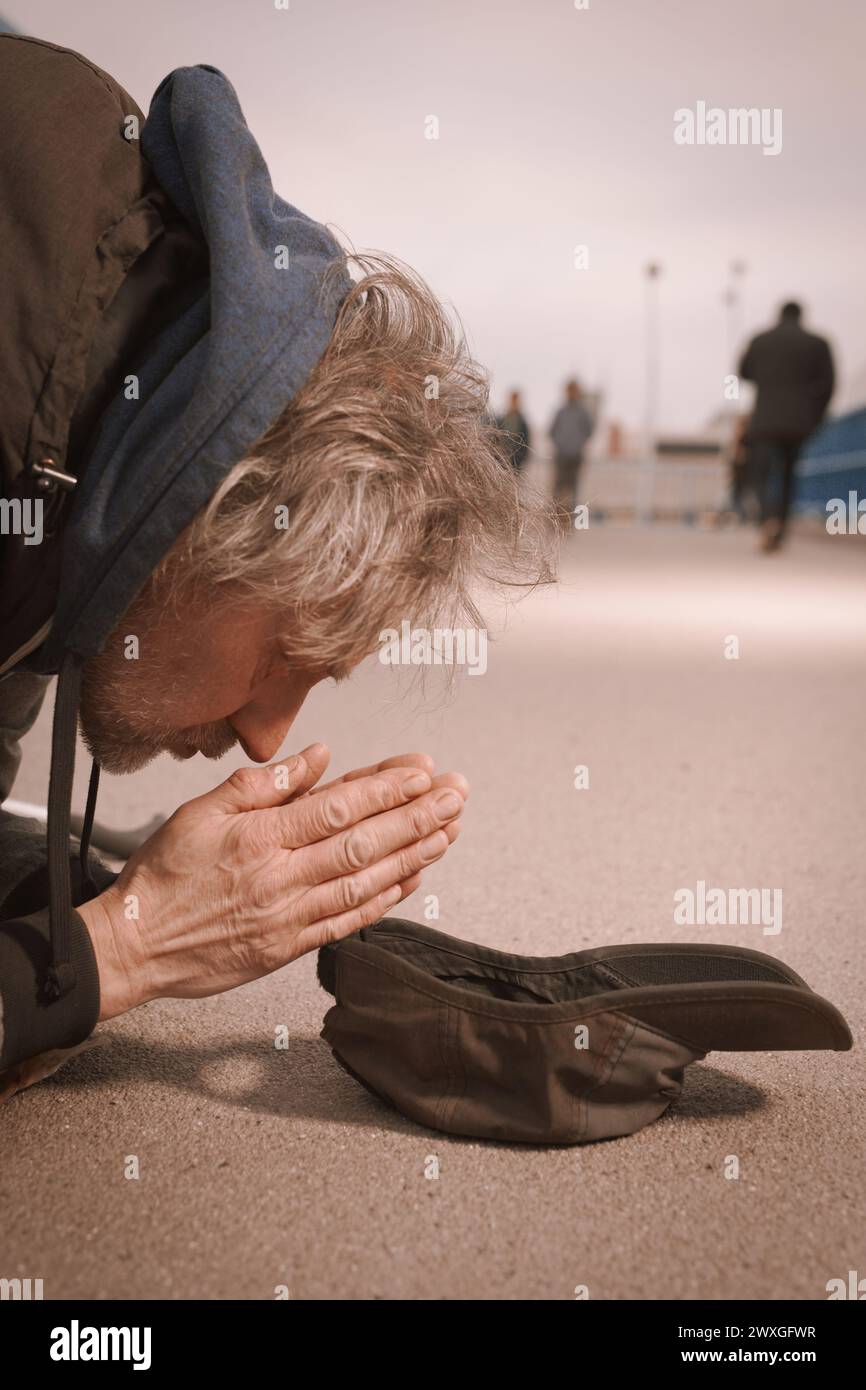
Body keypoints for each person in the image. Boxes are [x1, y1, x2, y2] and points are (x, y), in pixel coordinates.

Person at [0, 36, 553, 1099]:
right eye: (286, 658)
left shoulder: (91, 433)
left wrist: (85, 901)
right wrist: (130, 946)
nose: (264, 736)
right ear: (219, 514)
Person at [738, 302, 835, 551]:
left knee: (759, 475)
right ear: (802, 316)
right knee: (789, 476)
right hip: (799, 424)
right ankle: (780, 527)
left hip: (765, 421)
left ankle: (768, 518)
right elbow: (829, 384)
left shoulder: (760, 340)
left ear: (778, 315)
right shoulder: (818, 344)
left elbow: (743, 373)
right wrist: (816, 416)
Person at [549, 379, 594, 520]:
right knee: (557, 490)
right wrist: (561, 444)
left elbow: (589, 431)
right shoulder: (561, 411)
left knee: (574, 490)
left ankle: (574, 521)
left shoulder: (583, 412)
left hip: (576, 457)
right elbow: (552, 431)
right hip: (561, 456)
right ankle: (554, 521)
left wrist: (577, 444)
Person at [497, 390, 530, 472]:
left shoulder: (522, 420)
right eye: (513, 400)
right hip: (503, 457)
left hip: (517, 459)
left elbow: (526, 441)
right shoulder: (503, 419)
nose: (514, 403)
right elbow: (497, 436)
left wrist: (522, 457)